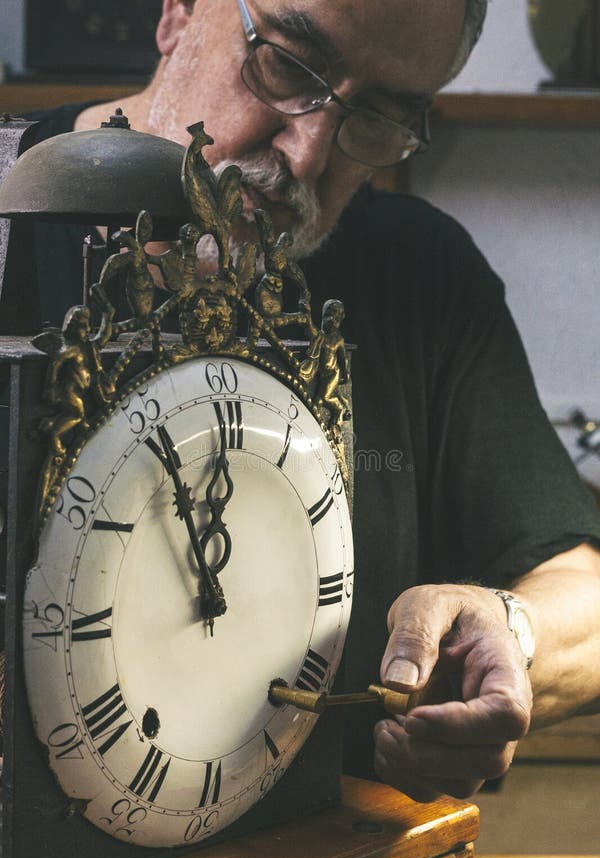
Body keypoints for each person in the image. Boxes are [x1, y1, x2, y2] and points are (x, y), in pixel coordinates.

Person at [7, 0, 600, 803]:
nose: (309, 151)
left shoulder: (423, 276)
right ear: (179, 11)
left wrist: (512, 633)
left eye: (378, 117)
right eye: (287, 65)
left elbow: (584, 598)